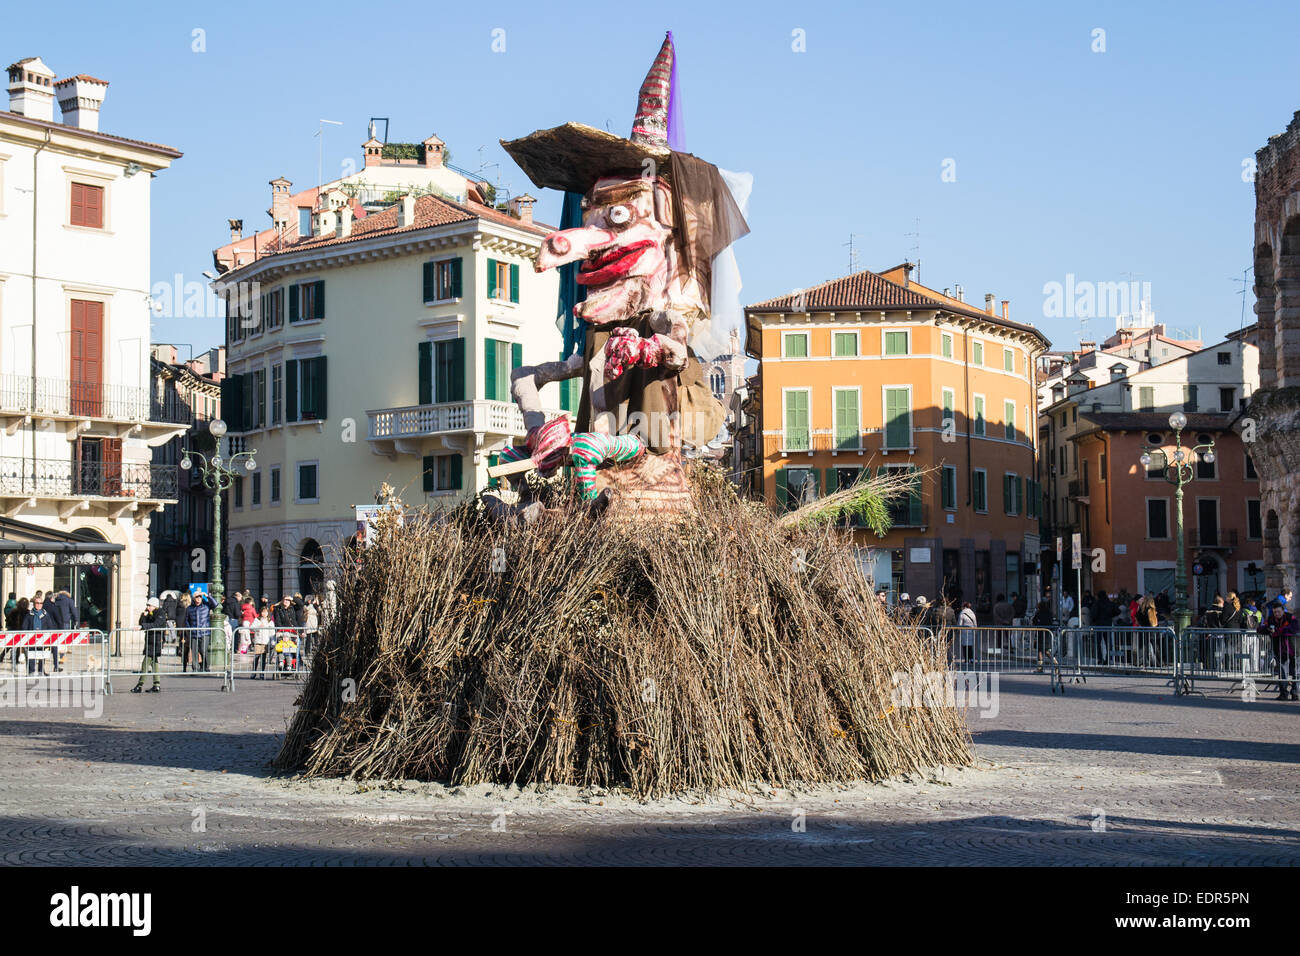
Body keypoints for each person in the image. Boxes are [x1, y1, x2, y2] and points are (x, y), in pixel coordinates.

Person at [1257, 602, 1297, 701]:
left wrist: (1279, 631)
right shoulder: (1271, 619)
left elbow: (1294, 628)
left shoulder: (1290, 617)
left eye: (1278, 612)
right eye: (1275, 612)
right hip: (1279, 650)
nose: (1277, 614)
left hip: (1293, 649)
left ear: (1283, 611)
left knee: (1295, 673)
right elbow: (1262, 628)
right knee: (1282, 672)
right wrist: (1265, 629)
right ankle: (1283, 693)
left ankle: (1295, 693)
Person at [132, 598, 165, 693]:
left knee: (145, 663)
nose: (147, 607)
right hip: (150, 640)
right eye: (147, 605)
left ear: (155, 606)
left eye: (149, 605)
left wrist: (143, 626)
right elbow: (141, 623)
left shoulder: (160, 613)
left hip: (156, 641)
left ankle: (139, 685)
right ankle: (156, 685)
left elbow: (156, 624)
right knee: (154, 663)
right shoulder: (150, 614)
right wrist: (143, 615)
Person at [22, 595, 56, 675]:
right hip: (31, 639)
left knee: (42, 655)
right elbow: (24, 627)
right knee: (31, 655)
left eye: (41, 603)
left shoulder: (45, 614)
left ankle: (41, 671)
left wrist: (49, 637)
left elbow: (50, 626)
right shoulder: (29, 615)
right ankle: (31, 671)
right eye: (37, 603)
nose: (39, 604)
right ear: (34, 604)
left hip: (42, 639)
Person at [184, 590, 217, 672]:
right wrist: (189, 629)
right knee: (194, 651)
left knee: (203, 650)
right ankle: (195, 668)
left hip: (204, 632)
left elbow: (215, 604)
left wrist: (207, 595)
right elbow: (186, 620)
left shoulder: (206, 606)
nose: (198, 598)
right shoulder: (189, 608)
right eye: (196, 597)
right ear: (193, 598)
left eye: (200, 597)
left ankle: (206, 666)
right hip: (194, 633)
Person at [250, 606, 274, 679]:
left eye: (266, 612)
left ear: (268, 613)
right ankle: (253, 672)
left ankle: (262, 673)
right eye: (263, 612)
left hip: (265, 641)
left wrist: (271, 640)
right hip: (258, 641)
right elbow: (251, 628)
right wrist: (258, 626)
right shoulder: (257, 620)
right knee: (256, 657)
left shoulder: (270, 621)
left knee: (263, 658)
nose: (264, 614)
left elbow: (272, 632)